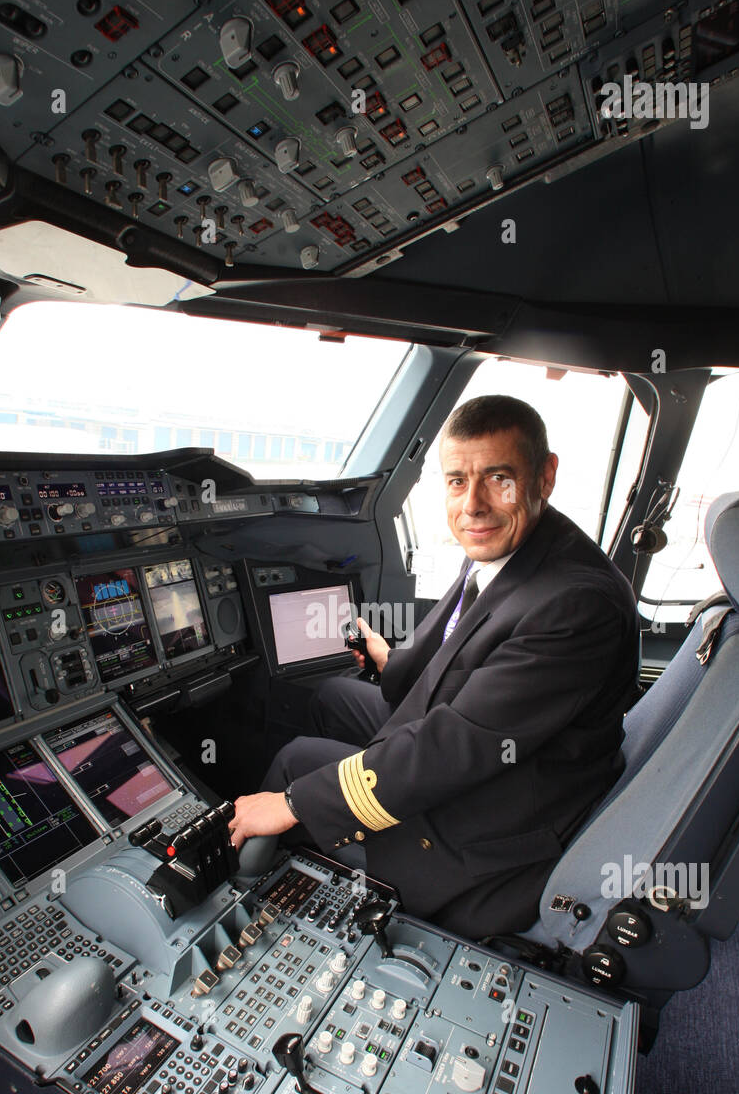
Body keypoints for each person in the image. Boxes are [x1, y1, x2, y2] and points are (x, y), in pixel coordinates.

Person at [228, 394, 640, 940]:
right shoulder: (519, 544)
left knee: (297, 763)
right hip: (486, 752)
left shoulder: (576, 602)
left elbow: (451, 747)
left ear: (545, 476)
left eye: (498, 478)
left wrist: (291, 803)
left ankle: (241, 901)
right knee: (331, 696)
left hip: (487, 825)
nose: (472, 504)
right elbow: (458, 648)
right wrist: (386, 661)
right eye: (456, 482)